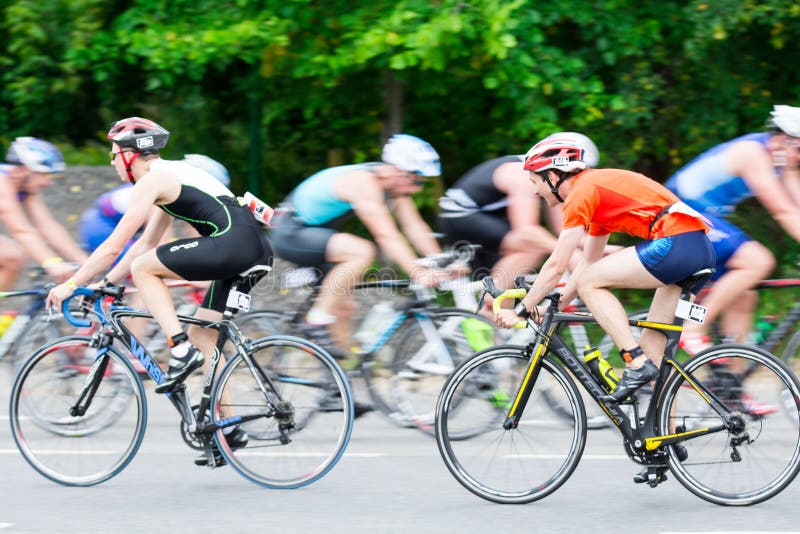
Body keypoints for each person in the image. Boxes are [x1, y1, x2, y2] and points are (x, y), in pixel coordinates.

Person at [46, 117, 274, 465]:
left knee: (145, 270)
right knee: (204, 336)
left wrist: (71, 285)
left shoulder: (153, 180)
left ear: (129, 155)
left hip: (233, 246)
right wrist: (106, 283)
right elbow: (145, 244)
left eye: (113, 154)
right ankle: (227, 429)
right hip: (254, 250)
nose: (111, 162)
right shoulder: (168, 179)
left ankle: (178, 349)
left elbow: (115, 246)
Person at [495, 135, 714, 404]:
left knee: (592, 285)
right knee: (653, 351)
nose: (534, 191)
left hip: (675, 242)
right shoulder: (597, 194)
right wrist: (552, 307)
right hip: (696, 248)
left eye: (534, 182)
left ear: (551, 177)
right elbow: (587, 262)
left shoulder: (580, 192)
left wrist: (522, 309)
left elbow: (557, 265)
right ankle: (665, 429)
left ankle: (634, 360)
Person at [270, 134, 460, 358]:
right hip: (291, 232)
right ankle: (314, 322)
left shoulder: (394, 188)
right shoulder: (362, 182)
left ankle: (340, 374)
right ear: (398, 171)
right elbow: (386, 235)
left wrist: (440, 262)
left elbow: (414, 226)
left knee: (343, 308)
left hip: (313, 234)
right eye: (416, 181)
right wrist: (418, 272)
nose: (417, 189)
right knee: (362, 251)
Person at [665, 105, 800, 356]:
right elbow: (783, 211)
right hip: (678, 212)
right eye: (799, 149)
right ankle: (693, 326)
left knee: (743, 297)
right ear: (782, 139)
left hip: (701, 217)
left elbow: (797, 207)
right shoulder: (752, 153)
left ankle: (731, 378)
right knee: (758, 261)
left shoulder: (782, 161)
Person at [437, 132, 599, 289]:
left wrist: (601, 248)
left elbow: (564, 228)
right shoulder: (523, 175)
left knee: (536, 250)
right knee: (533, 247)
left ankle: (493, 299)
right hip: (459, 217)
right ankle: (490, 304)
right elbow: (526, 231)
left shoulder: (554, 178)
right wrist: (569, 254)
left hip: (485, 217)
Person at [0, 137, 86, 290]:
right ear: (24, 170)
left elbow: (48, 226)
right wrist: (52, 263)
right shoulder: (2, 183)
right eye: (45, 175)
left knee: (13, 257)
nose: (49, 182)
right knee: (11, 255)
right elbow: (21, 230)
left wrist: (84, 261)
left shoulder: (24, 185)